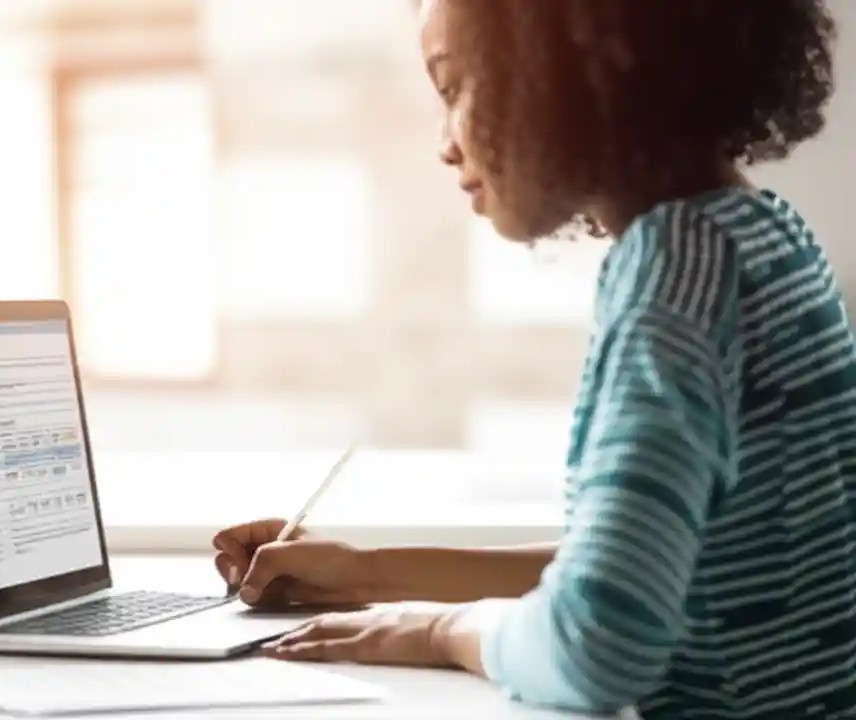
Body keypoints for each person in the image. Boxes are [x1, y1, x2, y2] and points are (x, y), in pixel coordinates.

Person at [212, 1, 855, 717]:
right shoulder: (762, 237)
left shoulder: (673, 276)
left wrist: (436, 630)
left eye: (454, 87)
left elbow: (598, 645)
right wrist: (364, 573)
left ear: (574, 66)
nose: (445, 143)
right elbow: (637, 566)